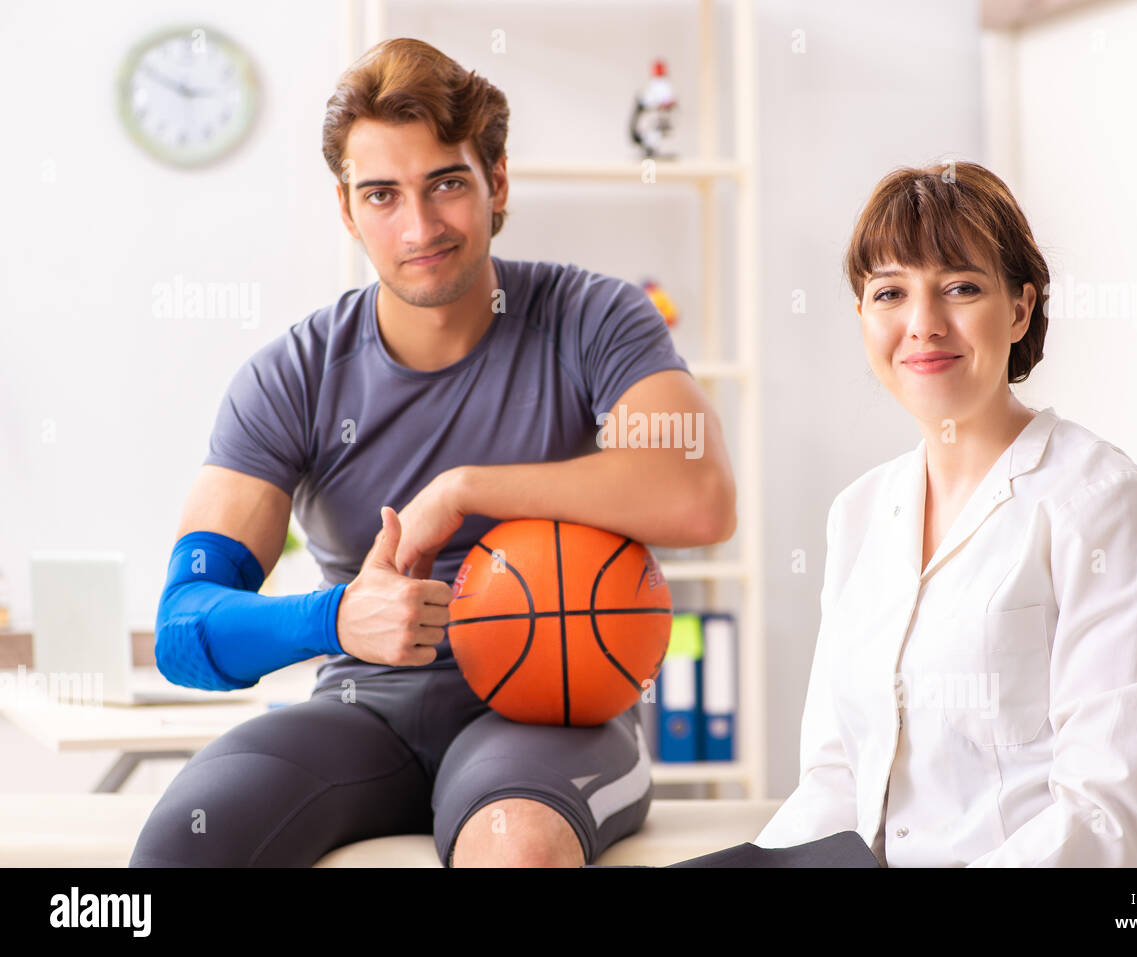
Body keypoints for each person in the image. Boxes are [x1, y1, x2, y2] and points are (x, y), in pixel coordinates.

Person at [129, 37, 736, 868]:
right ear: (348, 210)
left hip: (551, 714)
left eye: (446, 183)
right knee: (182, 847)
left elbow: (698, 492)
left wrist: (463, 488)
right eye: (382, 195)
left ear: (498, 183)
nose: (419, 227)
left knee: (514, 848)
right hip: (359, 706)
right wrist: (336, 615)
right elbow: (184, 628)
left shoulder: (595, 317)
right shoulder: (293, 375)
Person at [752, 161, 1137, 867]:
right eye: (890, 293)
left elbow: (1101, 818)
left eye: (961, 288)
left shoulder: (1109, 505)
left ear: (1021, 308)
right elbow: (837, 779)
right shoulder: (860, 514)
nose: (923, 324)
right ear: (862, 317)